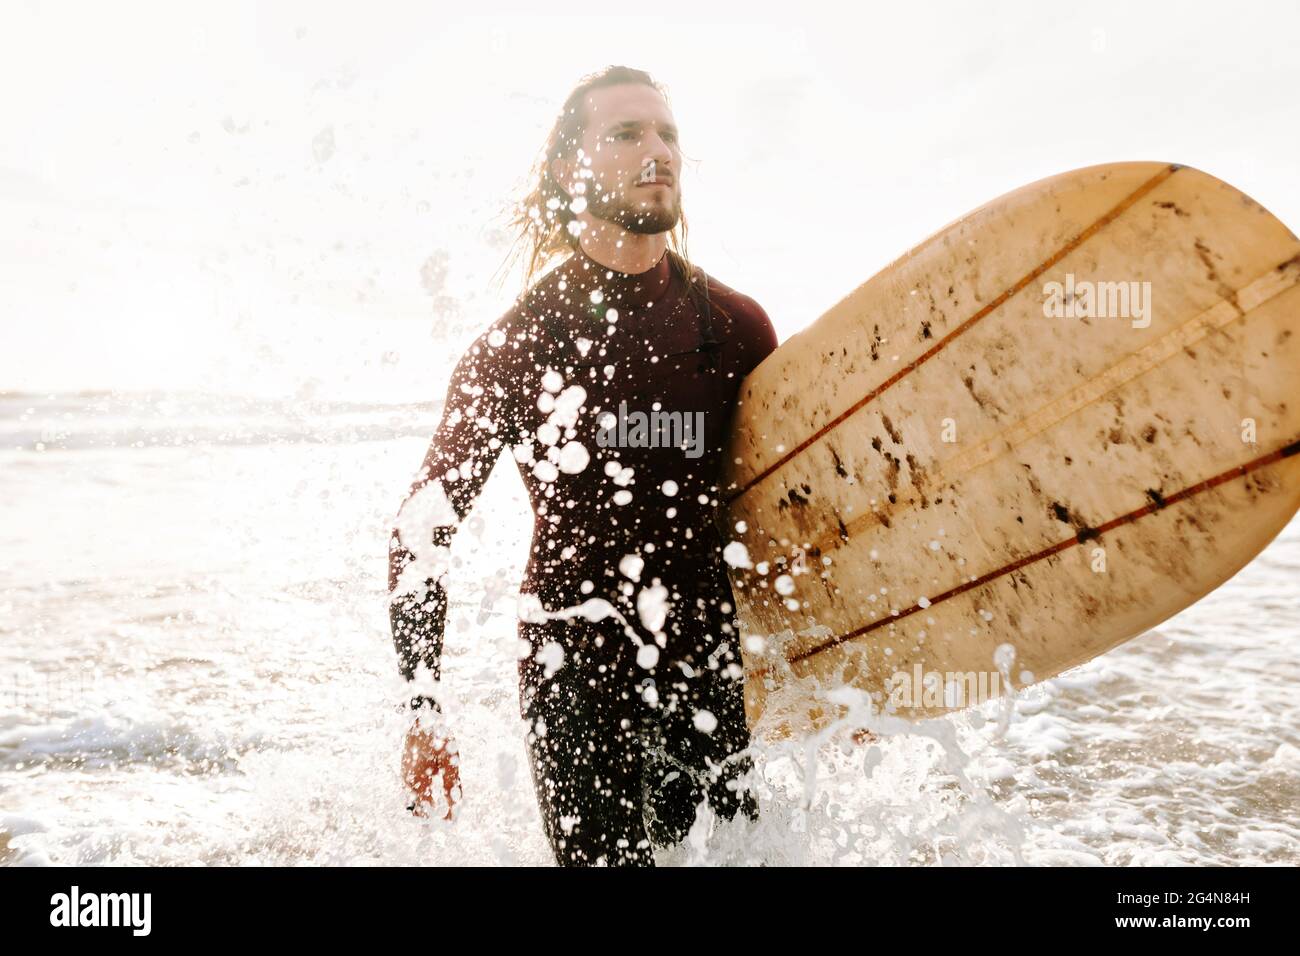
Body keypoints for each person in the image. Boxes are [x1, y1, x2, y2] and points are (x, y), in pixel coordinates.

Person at [387, 65, 779, 866]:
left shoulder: (737, 328)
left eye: (667, 133)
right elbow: (421, 529)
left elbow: (791, 503)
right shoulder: (518, 346)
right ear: (571, 168)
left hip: (707, 664)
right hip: (575, 669)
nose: (657, 152)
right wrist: (424, 706)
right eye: (627, 133)